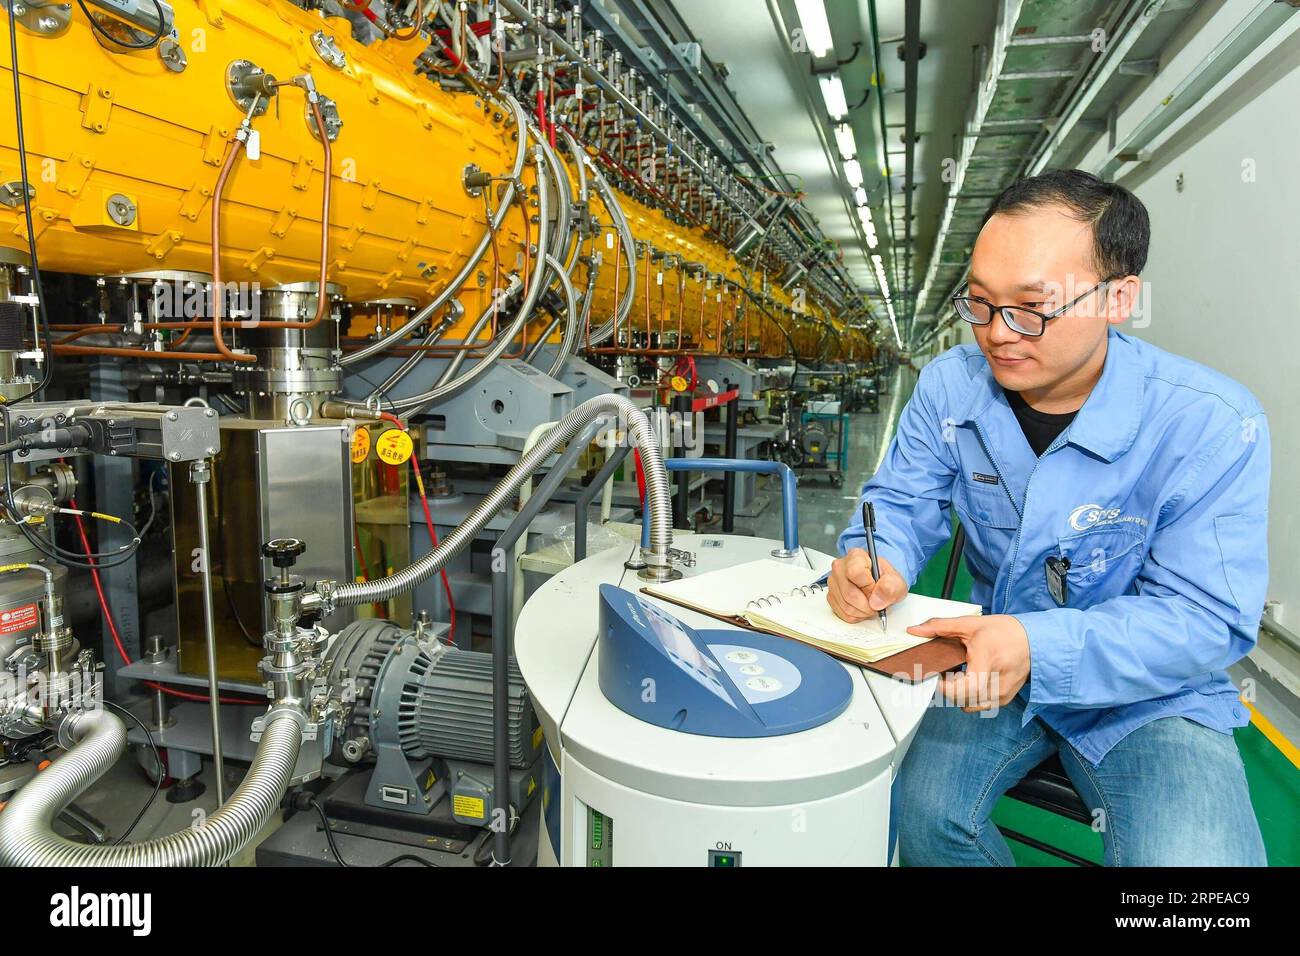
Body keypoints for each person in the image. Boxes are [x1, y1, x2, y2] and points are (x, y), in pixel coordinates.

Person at [830, 169, 1268, 866]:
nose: (998, 335)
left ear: (1119, 298)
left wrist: (1038, 647)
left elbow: (1206, 619)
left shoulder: (1210, 423)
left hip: (1153, 692)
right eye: (979, 303)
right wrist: (872, 559)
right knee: (923, 816)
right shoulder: (951, 386)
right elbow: (903, 503)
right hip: (983, 661)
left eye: (1032, 308)